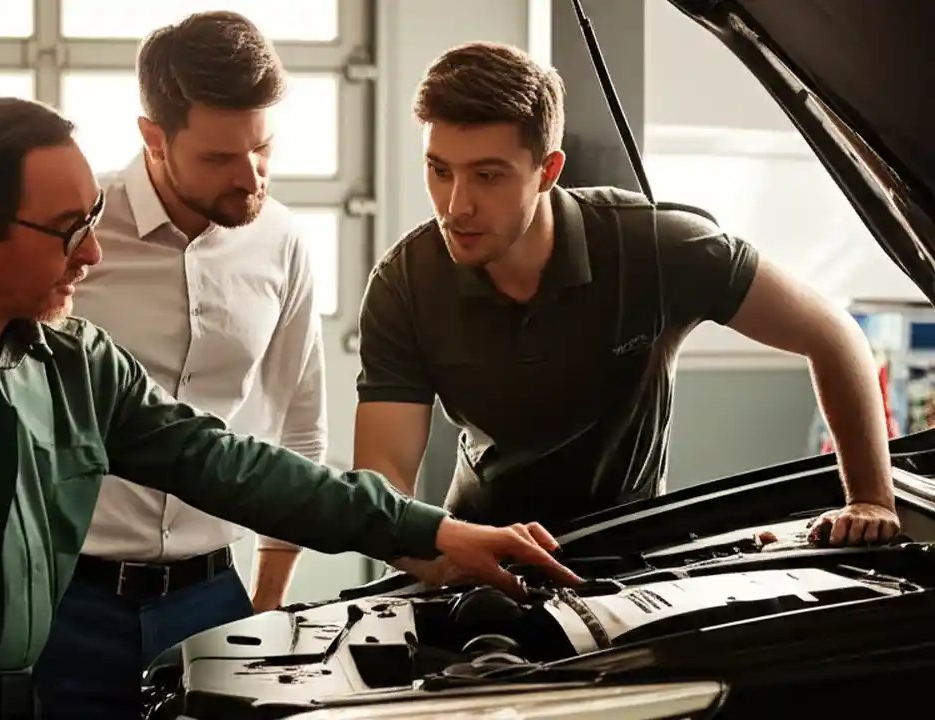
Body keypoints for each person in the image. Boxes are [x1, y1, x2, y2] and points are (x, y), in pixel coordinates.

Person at [0, 92, 581, 720]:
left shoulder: (73, 359)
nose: (92, 256)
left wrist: (428, 532)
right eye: (69, 232)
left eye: (95, 219)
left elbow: (230, 466)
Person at [352, 41, 903, 587]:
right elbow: (383, 486)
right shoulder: (404, 283)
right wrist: (429, 558)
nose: (456, 206)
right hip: (478, 557)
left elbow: (833, 334)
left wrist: (871, 499)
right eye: (439, 170)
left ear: (547, 171)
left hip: (637, 559)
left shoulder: (659, 248)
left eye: (487, 176)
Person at [31, 11, 319, 718]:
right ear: (153, 138)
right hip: (65, 603)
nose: (250, 178)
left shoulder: (280, 239)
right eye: (221, 159)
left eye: (263, 149)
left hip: (216, 602)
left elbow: (297, 424)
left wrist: (269, 604)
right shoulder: (77, 231)